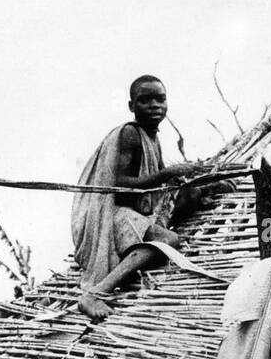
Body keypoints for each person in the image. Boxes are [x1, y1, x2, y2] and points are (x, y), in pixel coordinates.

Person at [72, 75, 216, 322]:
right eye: (145, 100)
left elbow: (162, 189)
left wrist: (204, 184)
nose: (154, 106)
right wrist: (167, 173)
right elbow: (118, 185)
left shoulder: (152, 137)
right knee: (168, 240)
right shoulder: (130, 134)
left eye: (160, 99)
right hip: (110, 213)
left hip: (134, 213)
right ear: (132, 106)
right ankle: (96, 293)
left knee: (191, 195)